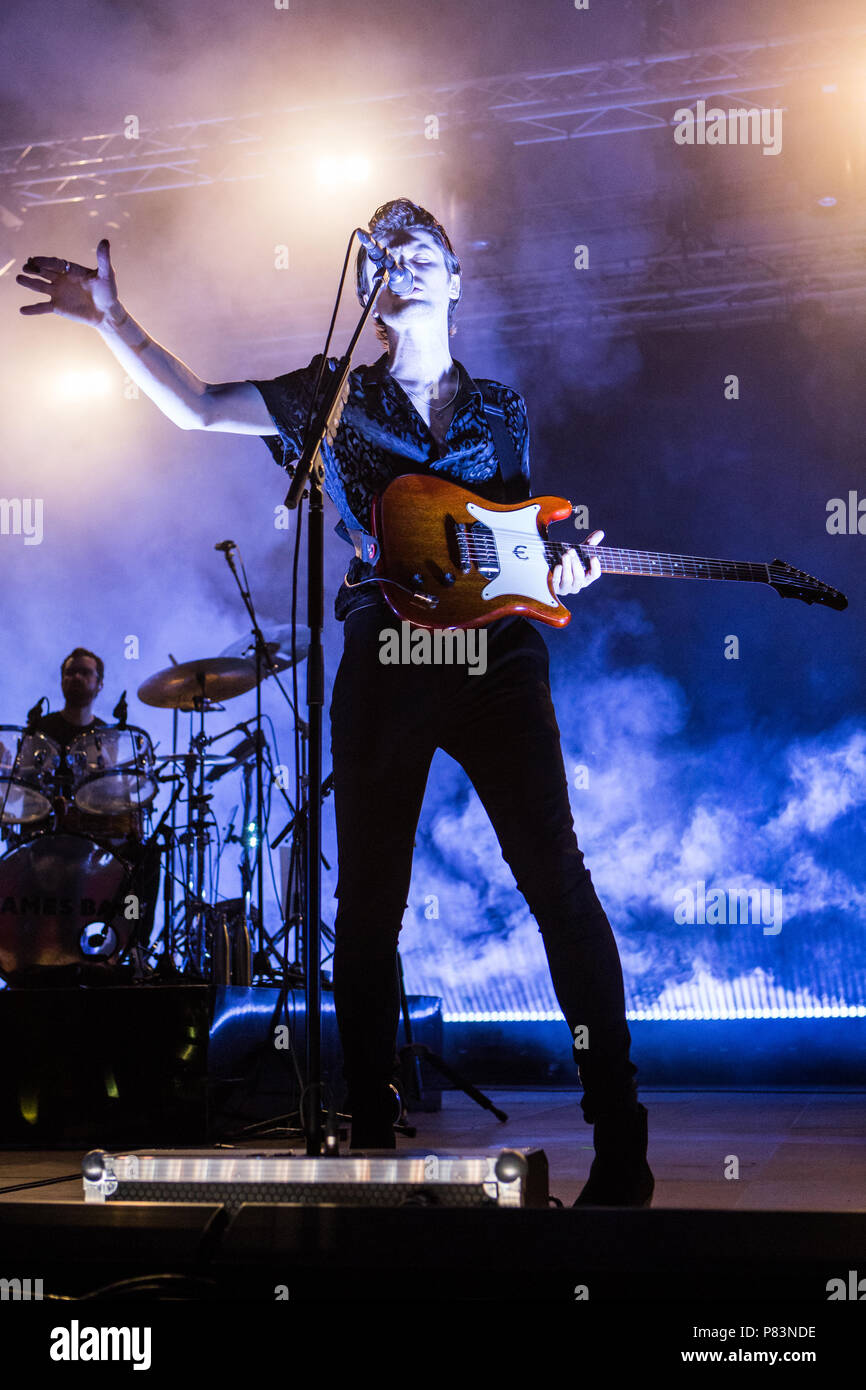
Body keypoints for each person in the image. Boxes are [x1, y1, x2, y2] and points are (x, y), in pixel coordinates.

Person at [17, 199, 654, 1204]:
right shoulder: (328, 396)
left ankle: (619, 1132)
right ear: (365, 292)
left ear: (453, 276)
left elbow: (512, 539)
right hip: (384, 652)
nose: (398, 257)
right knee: (366, 906)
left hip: (496, 659)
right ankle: (364, 1120)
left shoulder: (499, 406)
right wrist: (111, 321)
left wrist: (559, 567)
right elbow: (195, 405)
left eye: (419, 246)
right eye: (381, 252)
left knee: (558, 885)